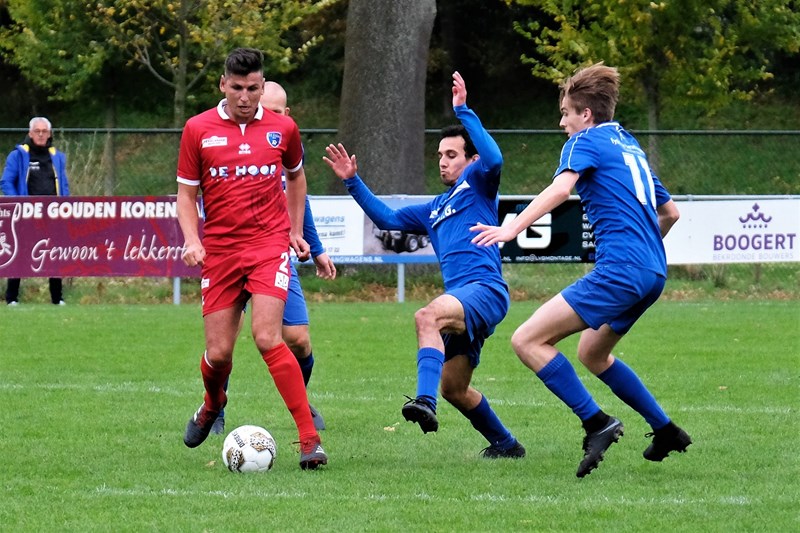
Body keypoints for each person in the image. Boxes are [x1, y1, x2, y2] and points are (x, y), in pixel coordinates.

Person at [471, 62, 691, 478]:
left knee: (527, 340)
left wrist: (511, 228)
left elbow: (560, 189)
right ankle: (665, 430)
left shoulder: (583, 142)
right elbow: (671, 213)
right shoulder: (629, 147)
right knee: (593, 352)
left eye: (566, 113)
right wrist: (641, 254)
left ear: (585, 115)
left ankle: (597, 422)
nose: (562, 123)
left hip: (623, 270)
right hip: (653, 273)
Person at [324, 71, 525, 459]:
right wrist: (353, 181)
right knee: (455, 387)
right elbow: (386, 218)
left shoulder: (480, 184)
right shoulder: (434, 208)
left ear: (472, 160)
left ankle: (423, 401)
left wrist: (464, 111)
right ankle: (505, 444)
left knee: (425, 317)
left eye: (451, 155)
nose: (443, 162)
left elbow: (495, 157)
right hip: (462, 300)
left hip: (484, 290)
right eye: (439, 156)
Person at [176, 48, 327, 470]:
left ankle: (309, 440)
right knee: (219, 353)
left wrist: (295, 231)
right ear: (224, 85)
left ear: (263, 87)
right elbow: (186, 195)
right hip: (221, 253)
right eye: (238, 87)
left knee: (267, 337)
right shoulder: (197, 129)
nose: (245, 96)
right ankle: (212, 404)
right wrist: (192, 238)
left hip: (267, 248)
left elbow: (297, 178)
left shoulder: (284, 129)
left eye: (254, 88)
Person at [209, 81, 336, 435]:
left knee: (298, 339)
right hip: (232, 258)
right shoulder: (234, 147)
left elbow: (299, 199)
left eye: (279, 112)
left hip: (275, 258)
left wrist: (317, 248)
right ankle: (216, 405)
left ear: (287, 114)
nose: (272, 118)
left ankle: (300, 398)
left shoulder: (285, 143)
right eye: (268, 110)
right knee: (224, 343)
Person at [1, 117, 69, 306]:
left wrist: (66, 206)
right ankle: (12, 298)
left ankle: (57, 299)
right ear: (30, 133)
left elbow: (63, 185)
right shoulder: (18, 155)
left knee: (54, 254)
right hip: (26, 214)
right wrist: (20, 204)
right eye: (37, 131)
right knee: (20, 254)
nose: (41, 134)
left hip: (52, 215)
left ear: (49, 134)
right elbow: (6, 182)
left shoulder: (57, 157)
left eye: (44, 131)